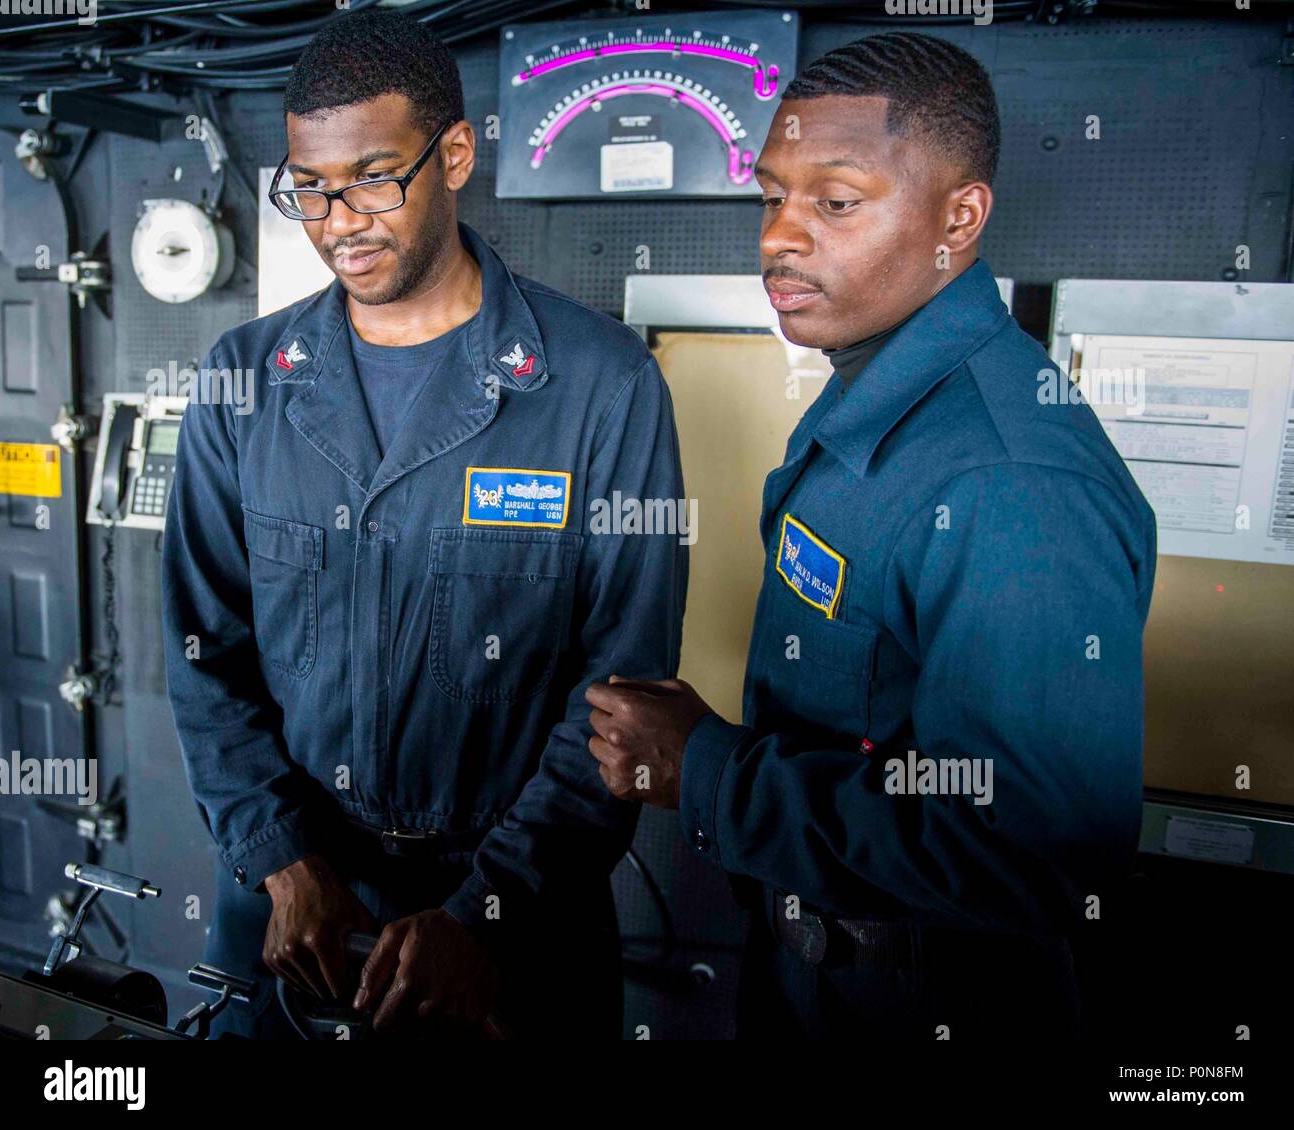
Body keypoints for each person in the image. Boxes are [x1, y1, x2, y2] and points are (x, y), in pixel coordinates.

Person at [585, 32, 1156, 1041]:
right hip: (819, 967)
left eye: (835, 202)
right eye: (770, 196)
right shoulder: (884, 396)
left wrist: (707, 768)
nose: (778, 236)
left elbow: (1036, 852)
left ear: (958, 216)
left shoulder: (1009, 480)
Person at [160, 9, 687, 1039]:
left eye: (371, 177)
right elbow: (201, 653)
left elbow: (620, 694)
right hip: (299, 901)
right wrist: (282, 859)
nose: (338, 218)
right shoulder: (241, 381)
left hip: (515, 910)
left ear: (453, 155)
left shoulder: (600, 386)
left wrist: (485, 910)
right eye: (308, 186)